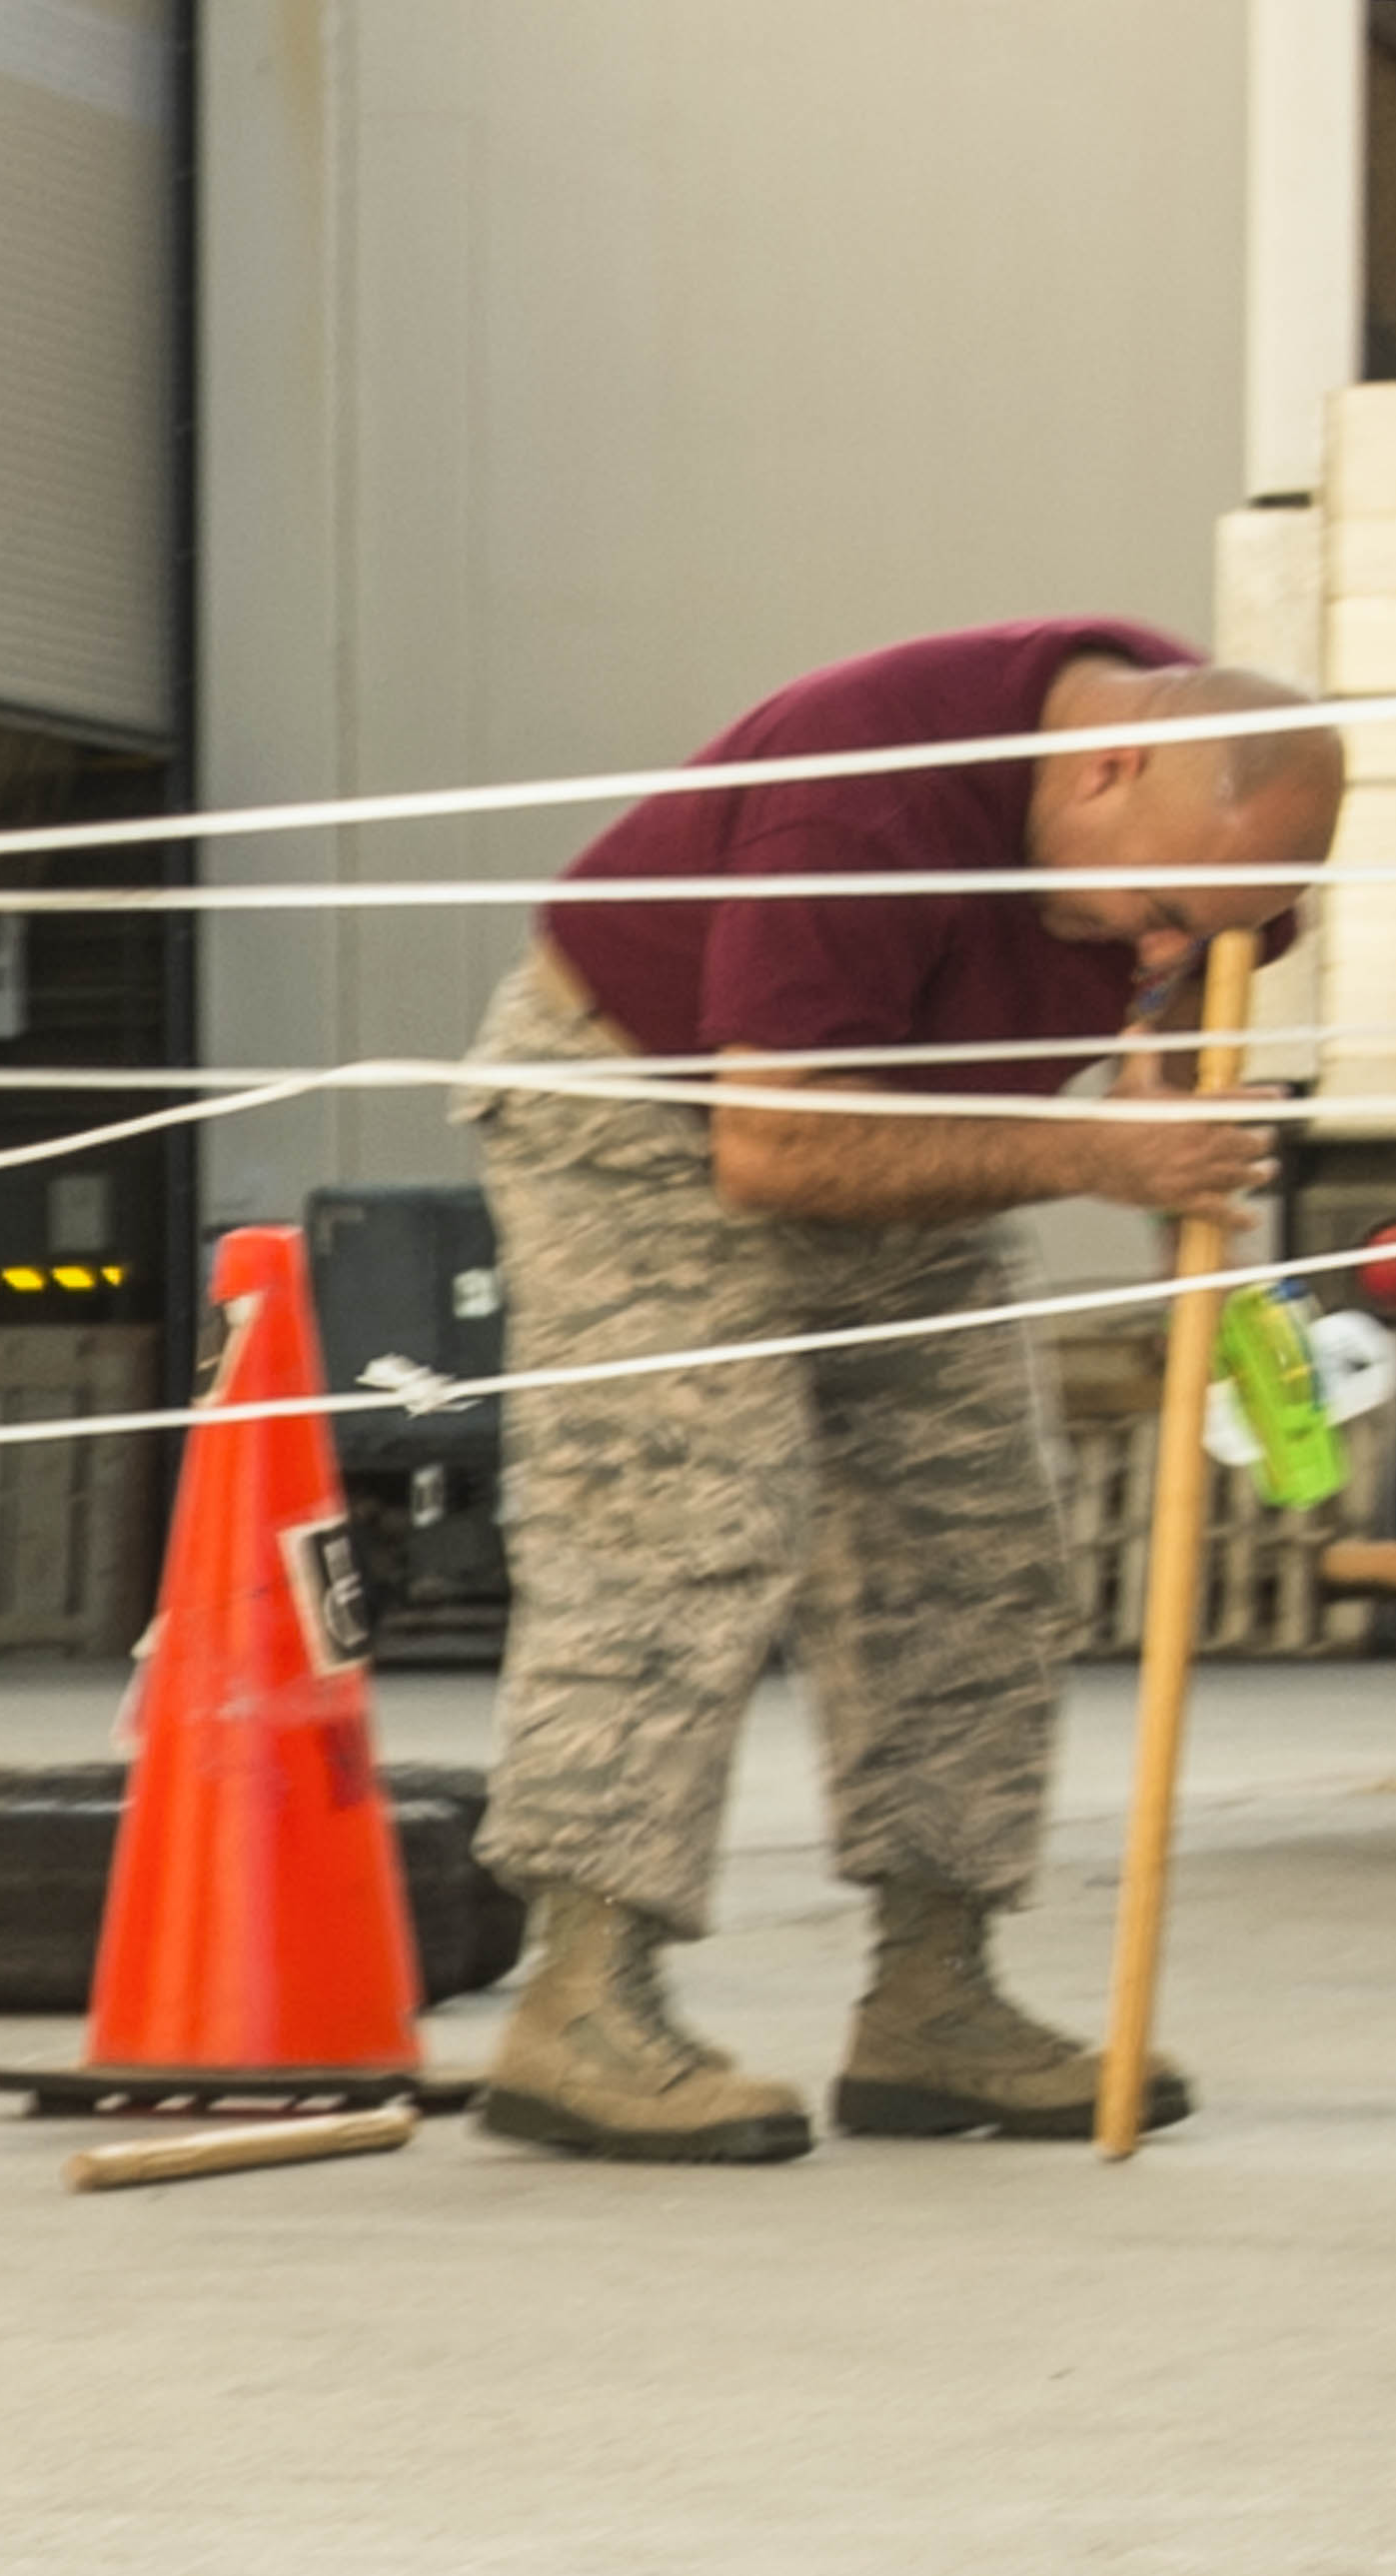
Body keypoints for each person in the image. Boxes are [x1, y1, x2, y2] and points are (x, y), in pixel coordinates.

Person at [458, 623, 1341, 2162]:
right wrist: (1092, 1152)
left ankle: (933, 1997)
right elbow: (772, 1149)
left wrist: (1160, 1049)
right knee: (683, 1528)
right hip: (653, 1118)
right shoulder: (862, 794)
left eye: (1207, 929)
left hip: (921, 1122)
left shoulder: (1206, 784)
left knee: (979, 1544)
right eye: (1151, 918)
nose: (1160, 949)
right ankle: (580, 2004)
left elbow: (1195, 962)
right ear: (1102, 771)